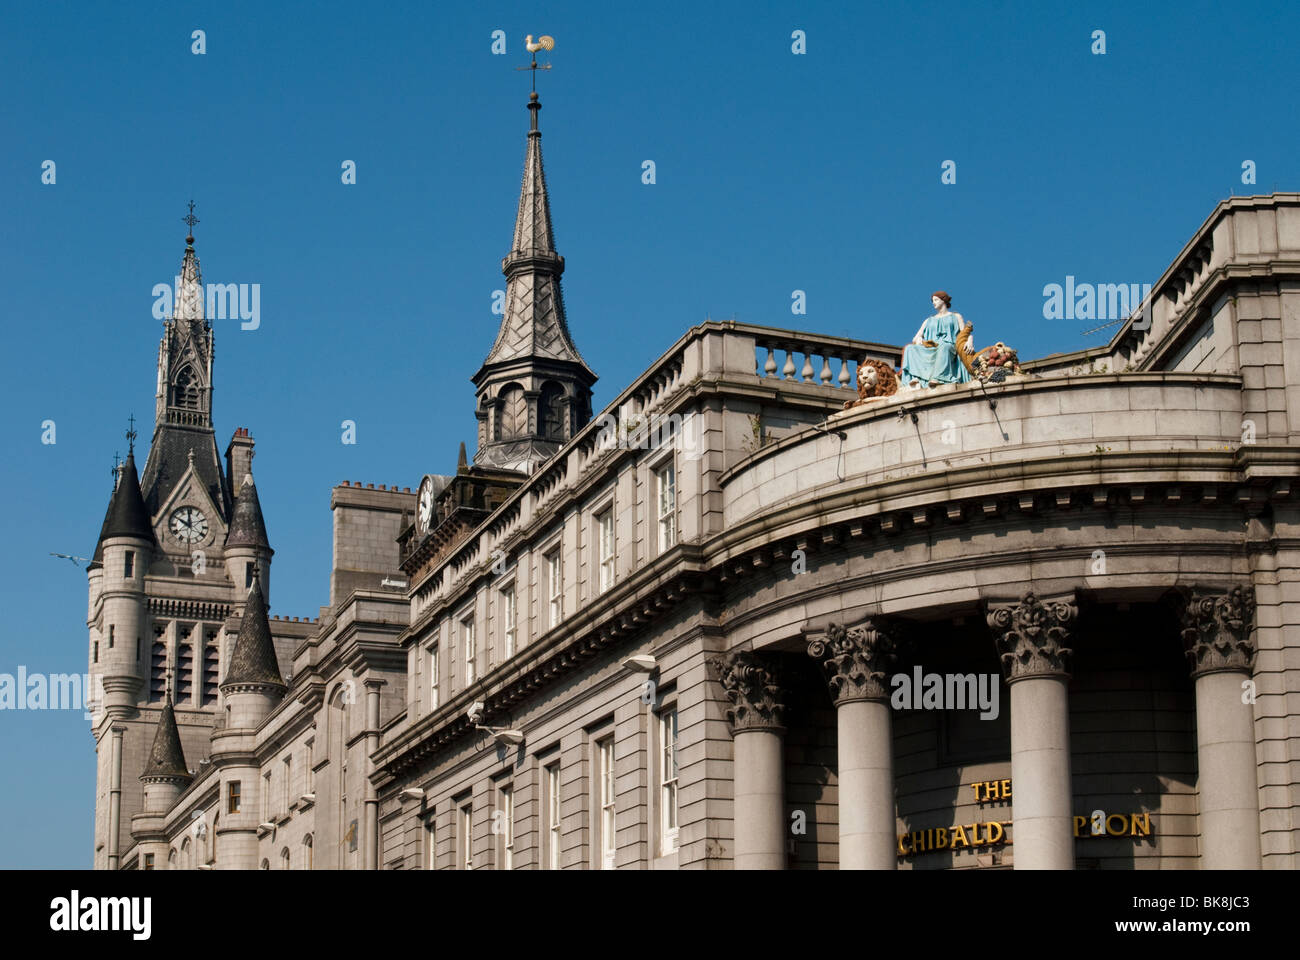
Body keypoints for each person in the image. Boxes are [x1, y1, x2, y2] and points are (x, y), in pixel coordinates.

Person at [900, 291, 971, 387]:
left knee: (944, 347)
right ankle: (917, 377)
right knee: (909, 348)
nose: (933, 303)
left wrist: (970, 341)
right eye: (933, 301)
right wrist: (919, 339)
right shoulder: (928, 320)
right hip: (931, 346)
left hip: (949, 346)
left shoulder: (955, 316)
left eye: (936, 300)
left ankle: (940, 377)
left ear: (943, 300)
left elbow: (964, 333)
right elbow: (916, 337)